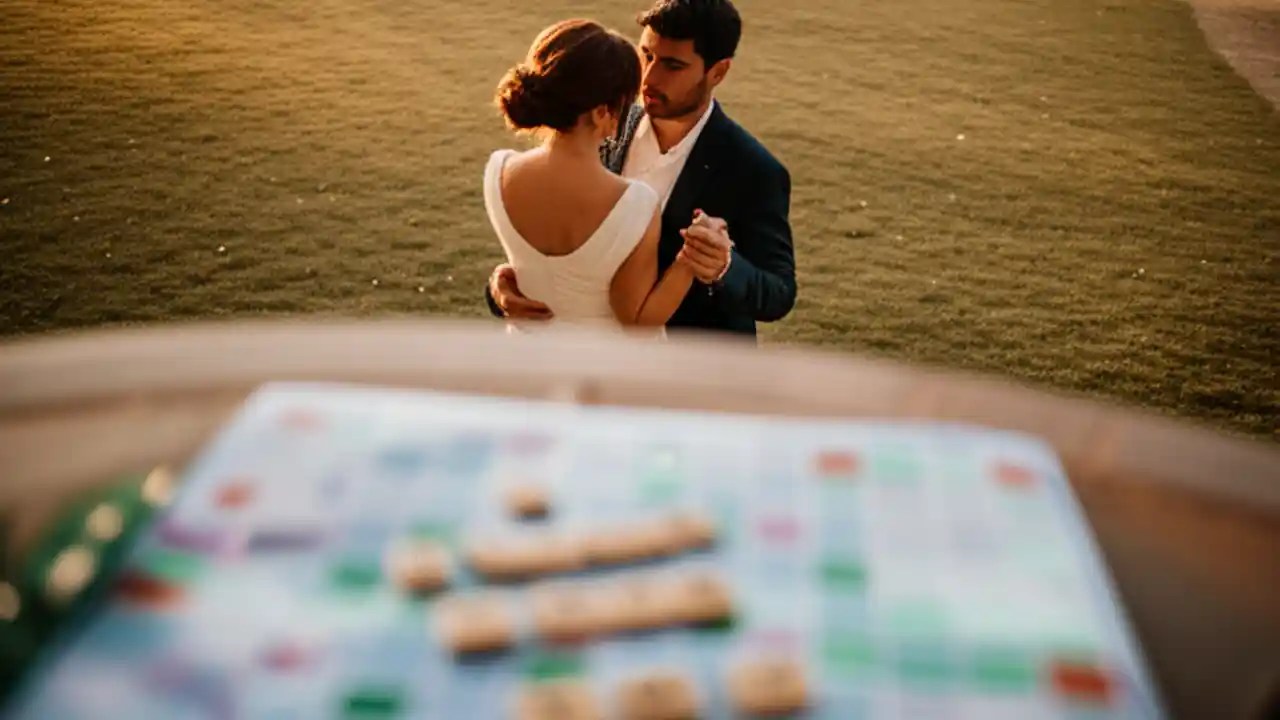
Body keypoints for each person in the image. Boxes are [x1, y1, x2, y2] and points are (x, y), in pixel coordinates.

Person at [486, 0, 797, 340]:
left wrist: (724, 265)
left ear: (718, 72)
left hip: (695, 371)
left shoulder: (753, 169)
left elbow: (778, 293)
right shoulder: (600, 124)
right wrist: (503, 285)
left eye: (672, 65)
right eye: (646, 55)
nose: (648, 78)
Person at [484, 18, 698, 333]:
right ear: (602, 112)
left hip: (525, 359)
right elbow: (636, 320)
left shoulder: (498, 170)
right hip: (603, 368)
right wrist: (688, 263)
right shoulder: (635, 204)